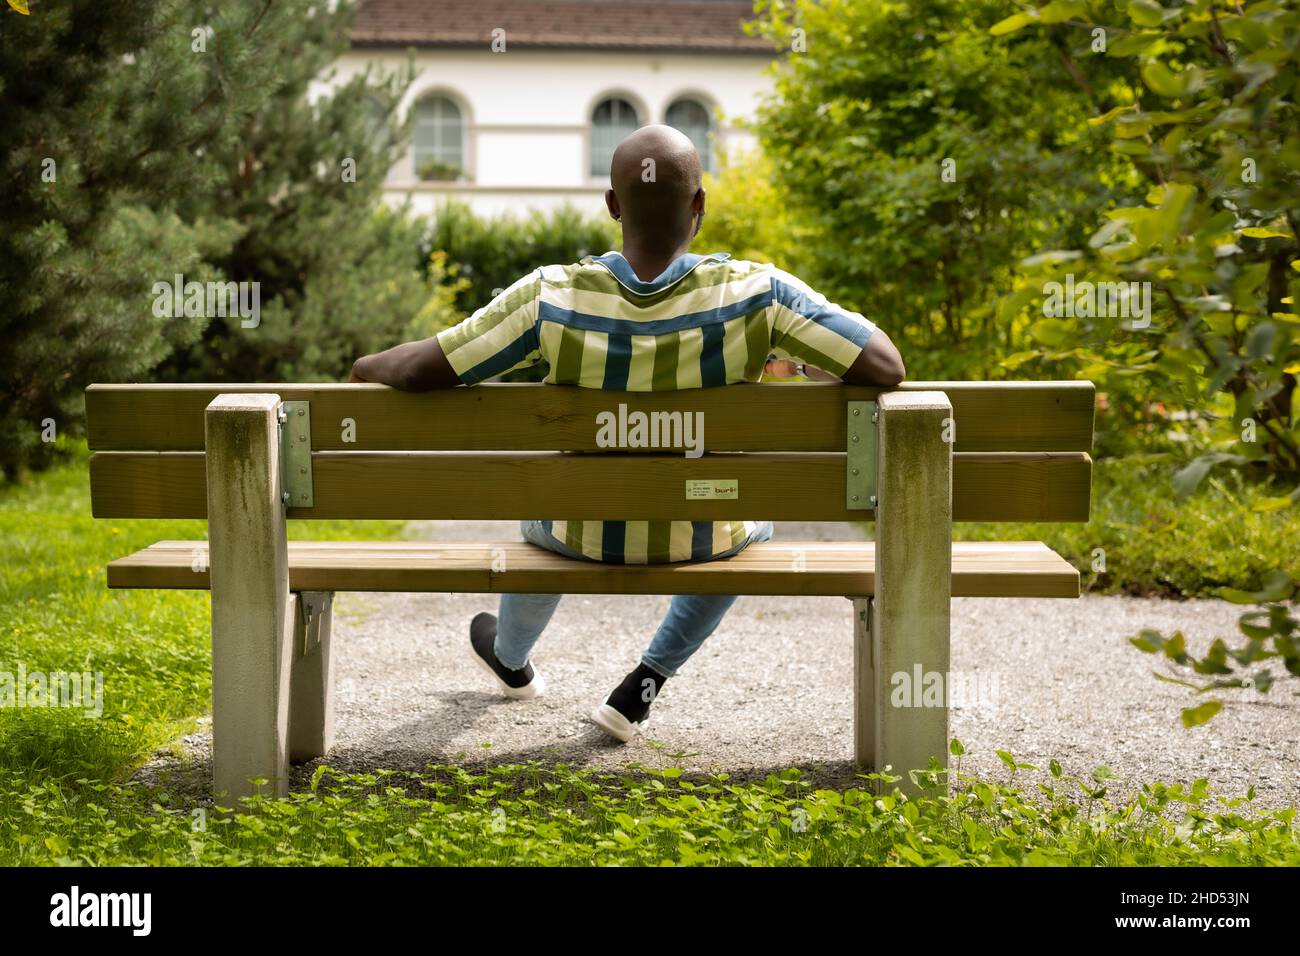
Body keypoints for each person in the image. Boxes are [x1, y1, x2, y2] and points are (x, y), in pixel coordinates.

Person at [349, 125, 905, 742]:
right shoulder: (759, 294)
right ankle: (644, 684)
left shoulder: (550, 297)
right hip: (705, 535)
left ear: (613, 206)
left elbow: (425, 368)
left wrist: (365, 366)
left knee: (542, 516)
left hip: (578, 532)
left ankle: (509, 659)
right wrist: (798, 363)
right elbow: (884, 365)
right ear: (699, 205)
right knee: (750, 517)